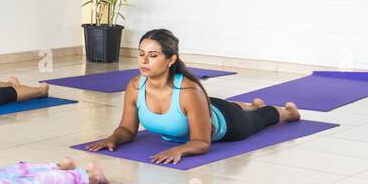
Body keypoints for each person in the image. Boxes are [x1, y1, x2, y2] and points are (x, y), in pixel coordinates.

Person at [84, 28, 300, 164]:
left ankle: (287, 111)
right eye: (141, 55)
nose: (144, 61)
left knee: (261, 118)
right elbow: (127, 130)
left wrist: (180, 150)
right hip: (204, 107)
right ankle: (248, 105)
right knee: (226, 105)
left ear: (170, 59)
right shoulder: (134, 86)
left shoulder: (189, 91)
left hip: (228, 124)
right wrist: (113, 138)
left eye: (153, 55)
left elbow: (201, 142)